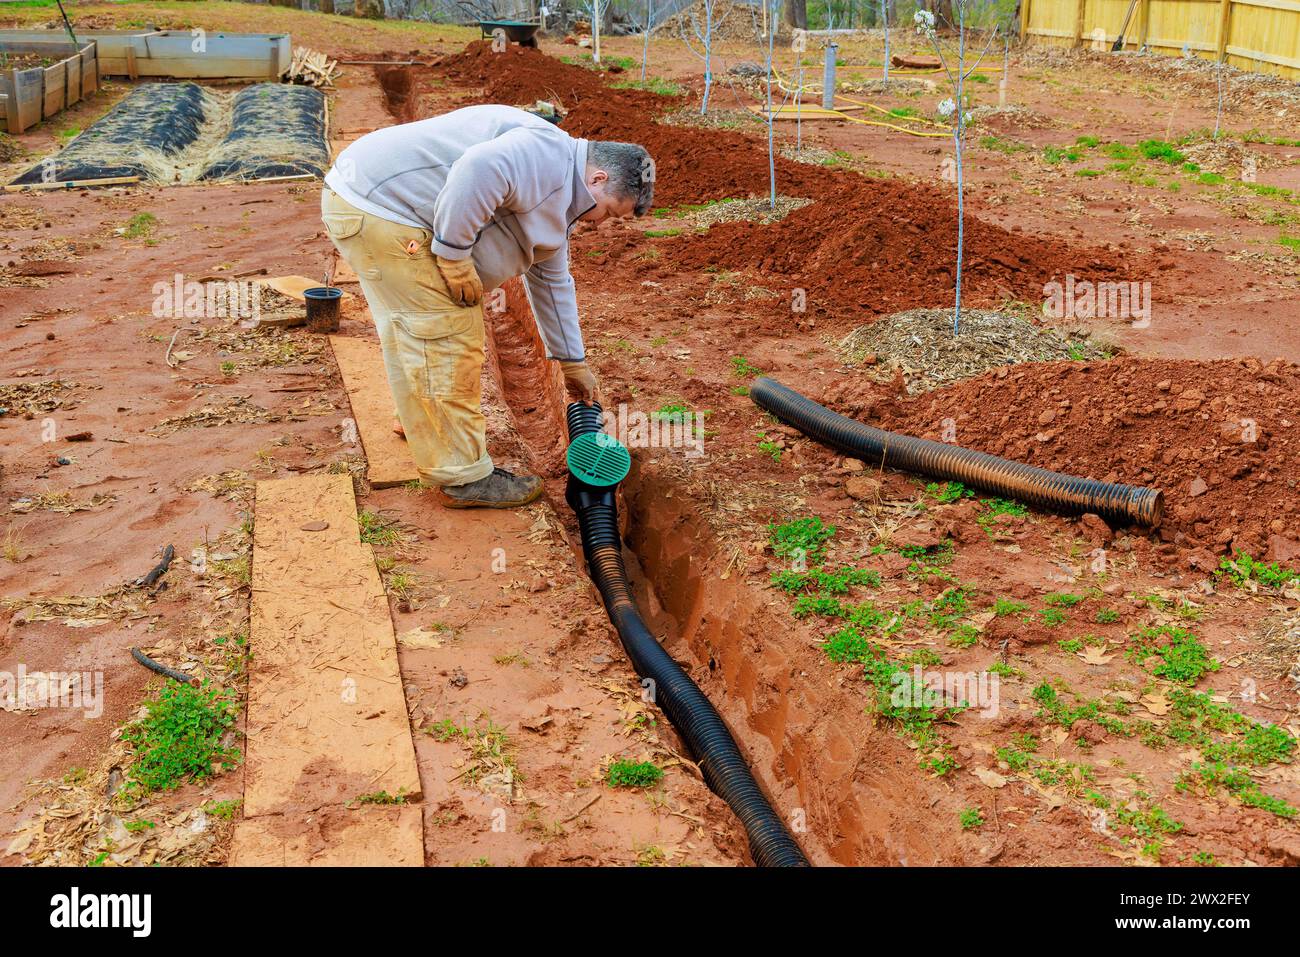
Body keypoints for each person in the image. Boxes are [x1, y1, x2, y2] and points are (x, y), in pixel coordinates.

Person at [321, 104, 654, 508]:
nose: (601, 223)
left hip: (370, 205)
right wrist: (453, 253)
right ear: (597, 179)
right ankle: (461, 478)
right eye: (609, 212)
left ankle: (420, 422)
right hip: (383, 210)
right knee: (448, 336)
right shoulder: (546, 155)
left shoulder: (563, 185)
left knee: (415, 328)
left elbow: (552, 280)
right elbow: (479, 167)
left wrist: (572, 362)